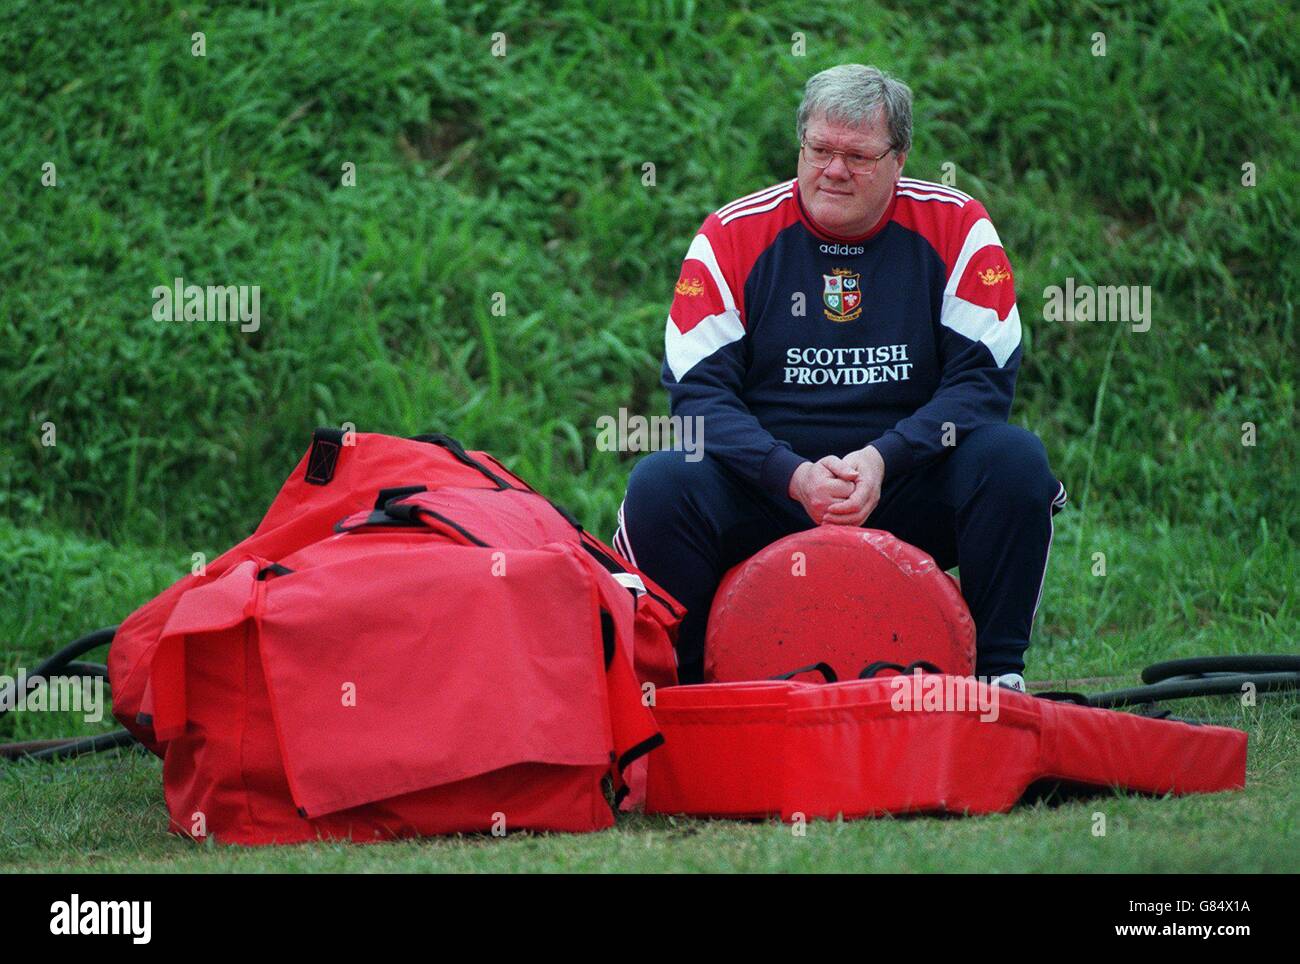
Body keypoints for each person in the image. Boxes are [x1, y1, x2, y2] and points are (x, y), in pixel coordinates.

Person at [612, 64, 1066, 688]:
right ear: (800, 145)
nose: (833, 170)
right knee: (662, 481)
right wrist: (792, 476)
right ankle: (686, 693)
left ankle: (996, 680)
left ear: (900, 158)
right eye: (820, 149)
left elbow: (983, 383)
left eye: (858, 155)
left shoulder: (957, 226)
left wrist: (883, 460)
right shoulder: (731, 236)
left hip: (905, 483)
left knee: (1013, 459)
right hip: (770, 490)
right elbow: (697, 397)